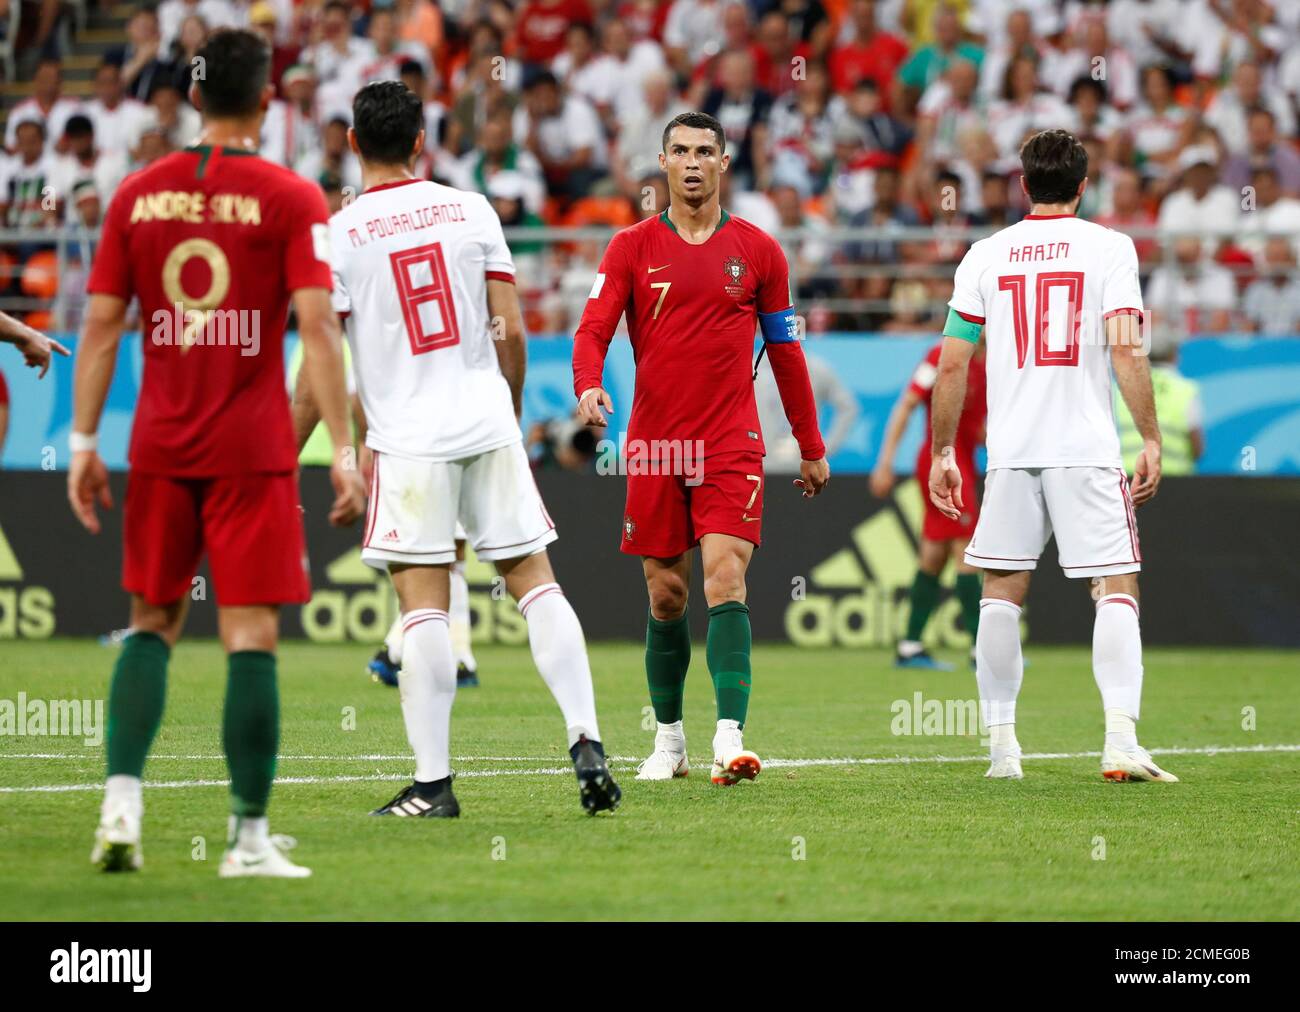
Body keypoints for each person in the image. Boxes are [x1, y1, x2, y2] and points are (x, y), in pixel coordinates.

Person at [68, 28, 365, 877]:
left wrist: (85, 441)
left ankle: (121, 806)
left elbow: (98, 326)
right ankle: (245, 840)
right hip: (251, 447)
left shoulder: (136, 193)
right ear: (266, 102)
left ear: (193, 98)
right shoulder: (291, 196)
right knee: (249, 635)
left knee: (150, 623)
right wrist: (343, 451)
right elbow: (318, 326)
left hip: (158, 441)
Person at [294, 80, 619, 818]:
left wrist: (302, 457)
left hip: (407, 439)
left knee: (424, 608)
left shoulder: (338, 234)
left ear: (353, 144)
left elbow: (320, 361)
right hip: (484, 421)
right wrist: (503, 408)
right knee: (537, 584)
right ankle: (587, 737)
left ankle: (434, 784)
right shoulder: (472, 209)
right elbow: (511, 325)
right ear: (420, 143)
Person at [572, 111, 829, 786]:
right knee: (666, 596)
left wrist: (810, 442)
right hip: (656, 444)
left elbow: (785, 350)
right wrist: (588, 385)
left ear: (723, 163)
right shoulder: (629, 247)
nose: (691, 161)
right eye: (680, 150)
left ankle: (728, 735)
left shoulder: (762, 252)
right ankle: (669, 741)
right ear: (662, 162)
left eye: (704, 151)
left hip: (730, 441)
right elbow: (593, 328)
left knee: (725, 577)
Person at [928, 128, 1178, 784]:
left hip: (1011, 452)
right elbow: (1125, 347)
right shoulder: (1110, 249)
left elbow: (954, 361)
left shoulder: (985, 254)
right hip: (1085, 448)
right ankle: (1120, 741)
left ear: (1022, 183)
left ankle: (1002, 750)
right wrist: (1149, 436)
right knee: (1115, 586)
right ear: (1083, 185)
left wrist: (941, 453)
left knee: (1000, 592)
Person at [871, 339, 986, 669]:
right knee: (967, 553)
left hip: (964, 462)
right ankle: (982, 650)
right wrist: (886, 462)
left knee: (933, 557)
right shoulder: (942, 355)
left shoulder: (988, 364)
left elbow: (977, 430)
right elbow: (907, 404)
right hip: (944, 465)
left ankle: (909, 646)